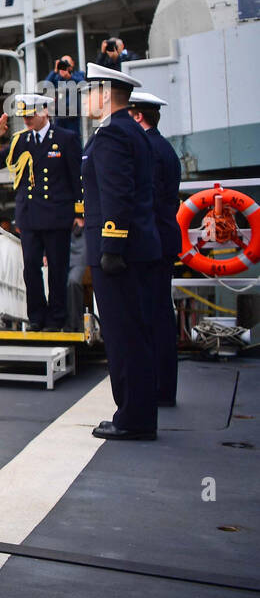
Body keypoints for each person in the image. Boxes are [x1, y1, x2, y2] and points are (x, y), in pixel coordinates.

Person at [80, 62, 160, 440]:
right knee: (136, 334)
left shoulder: (112, 134)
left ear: (104, 94)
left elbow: (116, 193)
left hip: (119, 254)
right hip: (138, 247)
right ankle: (137, 413)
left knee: (123, 336)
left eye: (88, 91)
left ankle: (132, 418)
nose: (84, 99)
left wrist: (111, 245)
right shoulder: (134, 131)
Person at [0, 94, 83, 331]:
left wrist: (79, 211)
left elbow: (76, 177)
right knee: (30, 266)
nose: (27, 120)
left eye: (31, 115)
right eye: (25, 116)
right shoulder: (21, 141)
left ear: (45, 112)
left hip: (57, 213)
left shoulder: (65, 139)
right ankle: (37, 315)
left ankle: (57, 317)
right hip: (29, 215)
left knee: (58, 268)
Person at [129, 90, 181, 407]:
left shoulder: (150, 151)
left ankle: (160, 388)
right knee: (161, 314)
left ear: (137, 116)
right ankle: (164, 387)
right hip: (164, 239)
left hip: (154, 243)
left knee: (154, 317)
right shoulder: (164, 147)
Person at [43, 56, 86, 137]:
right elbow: (46, 85)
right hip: (59, 114)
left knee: (74, 138)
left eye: (67, 63)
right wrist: (55, 71)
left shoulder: (77, 74)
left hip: (72, 115)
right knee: (59, 138)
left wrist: (70, 77)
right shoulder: (57, 77)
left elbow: (83, 83)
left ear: (72, 64)